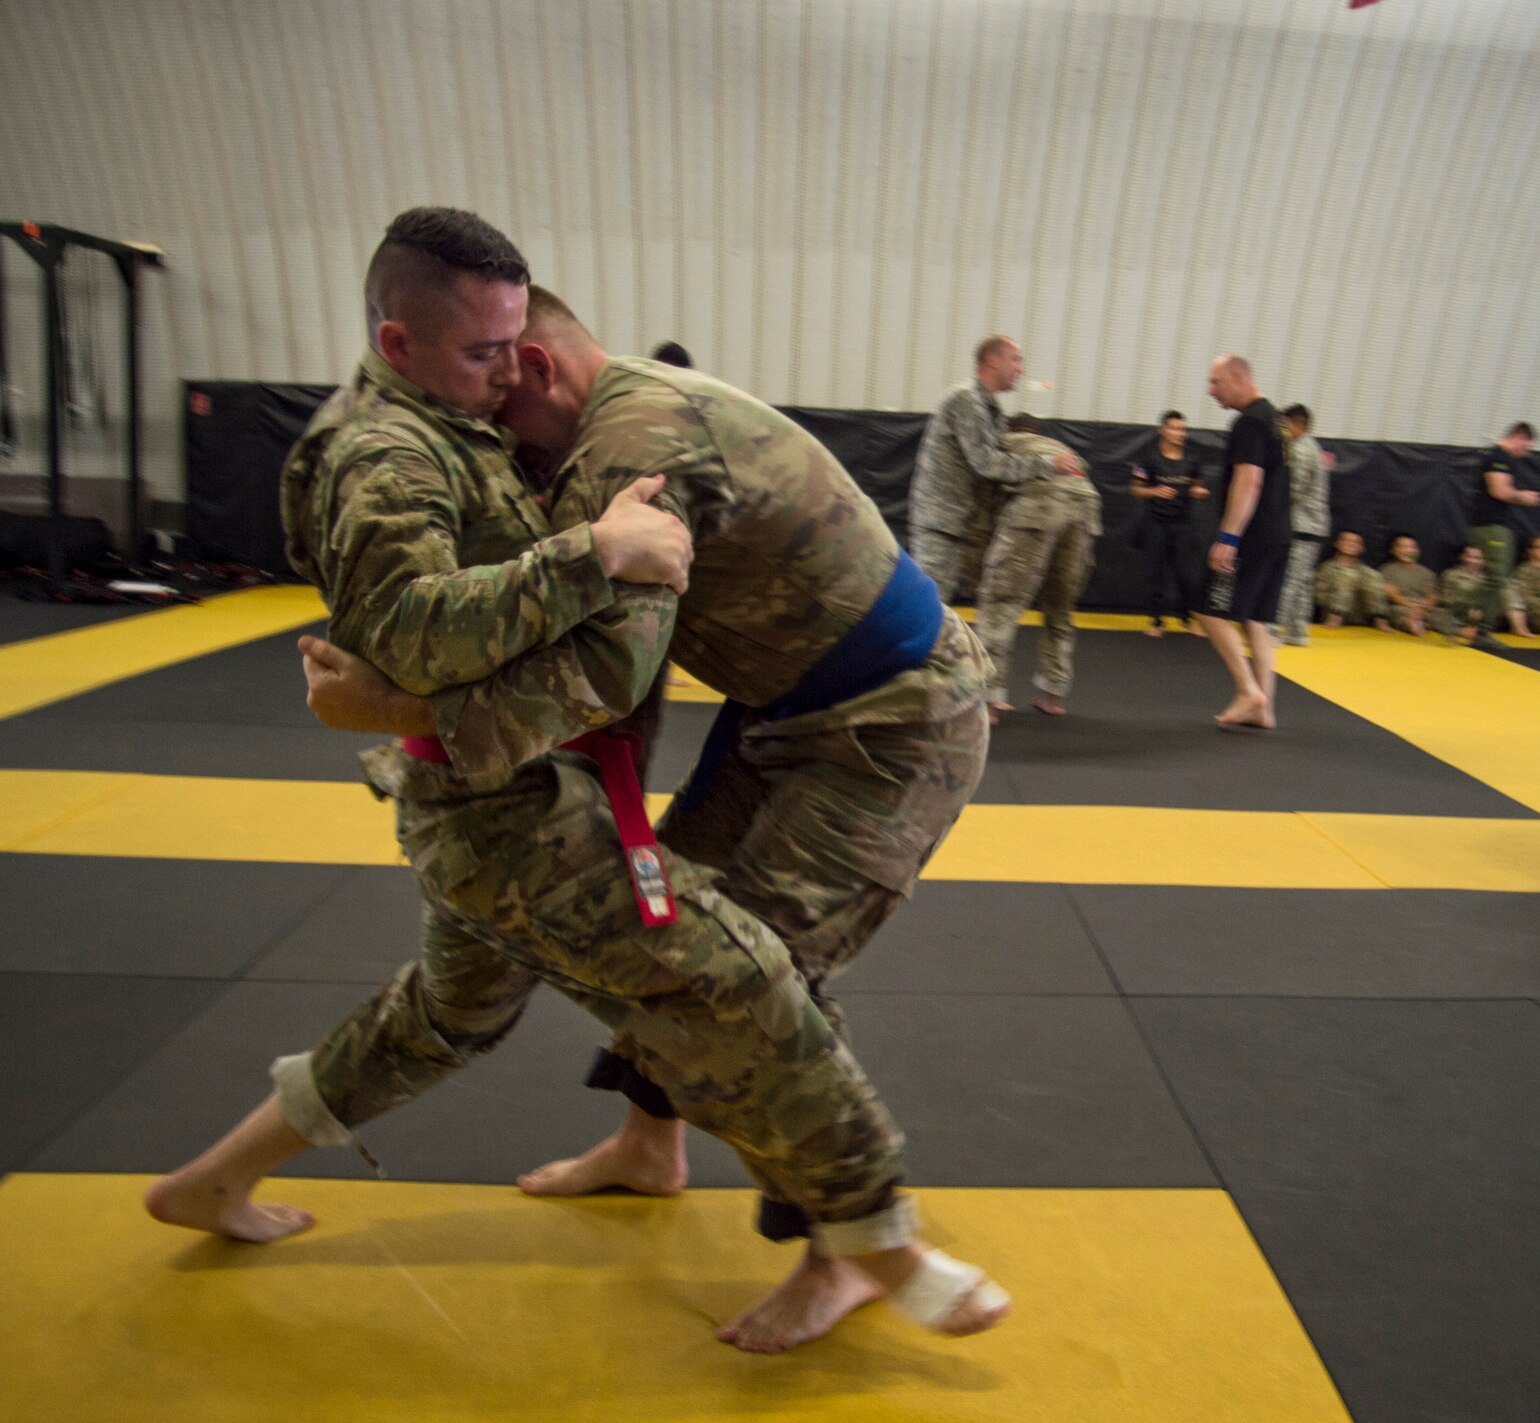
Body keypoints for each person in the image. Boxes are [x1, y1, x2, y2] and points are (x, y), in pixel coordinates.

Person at [149, 214, 1009, 1354]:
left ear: (540, 363)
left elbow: (615, 671)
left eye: (507, 380)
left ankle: (837, 1248)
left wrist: (408, 712)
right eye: (474, 362)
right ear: (403, 344)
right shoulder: (414, 442)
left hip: (889, 722)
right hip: (659, 750)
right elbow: (527, 644)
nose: (506, 421)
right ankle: (729, 1179)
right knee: (704, 977)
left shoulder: (620, 451)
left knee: (754, 968)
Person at [909, 336, 1069, 600]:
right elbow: (988, 463)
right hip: (940, 523)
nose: (1021, 369)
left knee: (936, 610)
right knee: (926, 609)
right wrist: (1048, 463)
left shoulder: (989, 409)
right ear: (993, 361)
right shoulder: (967, 401)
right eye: (1015, 359)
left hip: (957, 524)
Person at [975, 414, 1101, 720]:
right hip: (1086, 507)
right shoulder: (1061, 448)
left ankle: (989, 700)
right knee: (1060, 607)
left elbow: (986, 503)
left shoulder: (1003, 443)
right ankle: (1053, 696)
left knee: (1000, 604)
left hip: (1040, 505)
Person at [1196, 355, 1291, 729]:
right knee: (1256, 620)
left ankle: (1247, 690)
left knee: (1208, 609)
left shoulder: (1249, 422)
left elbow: (1249, 481)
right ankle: (1263, 708)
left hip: (1252, 534)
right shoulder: (1277, 420)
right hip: (1279, 532)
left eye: (1216, 382)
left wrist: (1228, 537)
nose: (1211, 391)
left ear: (1238, 377)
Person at [1128, 410, 1209, 637]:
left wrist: (1198, 491)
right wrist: (1154, 491)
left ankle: (1186, 618)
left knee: (1185, 573)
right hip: (1155, 522)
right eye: (1174, 428)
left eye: (1182, 429)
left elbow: (1197, 485)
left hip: (1182, 523)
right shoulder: (1148, 458)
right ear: (1162, 430)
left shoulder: (1192, 458)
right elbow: (1135, 489)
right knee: (1156, 573)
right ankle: (1156, 621)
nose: (1179, 433)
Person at [1467, 421, 1540, 632]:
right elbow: (1499, 491)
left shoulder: (1499, 457)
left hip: (1496, 525)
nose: (1526, 452)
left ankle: (1481, 627)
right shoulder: (1498, 457)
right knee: (1496, 577)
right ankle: (1460, 612)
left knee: (1497, 579)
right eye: (1527, 446)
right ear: (1519, 437)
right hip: (1491, 526)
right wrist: (1524, 497)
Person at [1273, 404, 1331, 646]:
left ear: (1299, 425)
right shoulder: (1311, 449)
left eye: (1285, 425)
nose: (1282, 430)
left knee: (1289, 579)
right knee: (1302, 581)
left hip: (1302, 524)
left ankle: (1273, 630)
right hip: (1312, 525)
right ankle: (1298, 632)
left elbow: (1293, 490)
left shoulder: (1301, 451)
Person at [1314, 530, 1389, 631]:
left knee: (1373, 576)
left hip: (1359, 612)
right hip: (1331, 610)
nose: (1351, 544)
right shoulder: (1326, 568)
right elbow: (1319, 595)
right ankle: (1335, 619)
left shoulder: (1367, 572)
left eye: (1356, 542)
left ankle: (1381, 621)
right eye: (1346, 541)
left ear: (1362, 548)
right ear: (1337, 544)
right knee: (1347, 576)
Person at [1379, 534, 1438, 636]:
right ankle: (1411, 624)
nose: (1407, 550)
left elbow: (1433, 595)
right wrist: (1411, 606)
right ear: (1393, 550)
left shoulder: (1426, 572)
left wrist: (1424, 607)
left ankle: (1461, 631)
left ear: (1417, 551)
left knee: (1441, 613)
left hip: (1422, 607)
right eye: (1402, 547)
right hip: (1401, 605)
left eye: (1411, 547)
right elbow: (1391, 594)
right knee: (1396, 612)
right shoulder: (1387, 570)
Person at [1429, 544, 1488, 646]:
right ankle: (1459, 630)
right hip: (1458, 613)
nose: (1472, 561)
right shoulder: (1451, 575)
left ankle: (1476, 630)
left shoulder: (1488, 579)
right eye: (1469, 556)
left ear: (1483, 560)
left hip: (1481, 615)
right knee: (1434, 613)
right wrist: (1466, 607)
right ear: (1462, 557)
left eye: (1477, 558)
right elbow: (1447, 598)